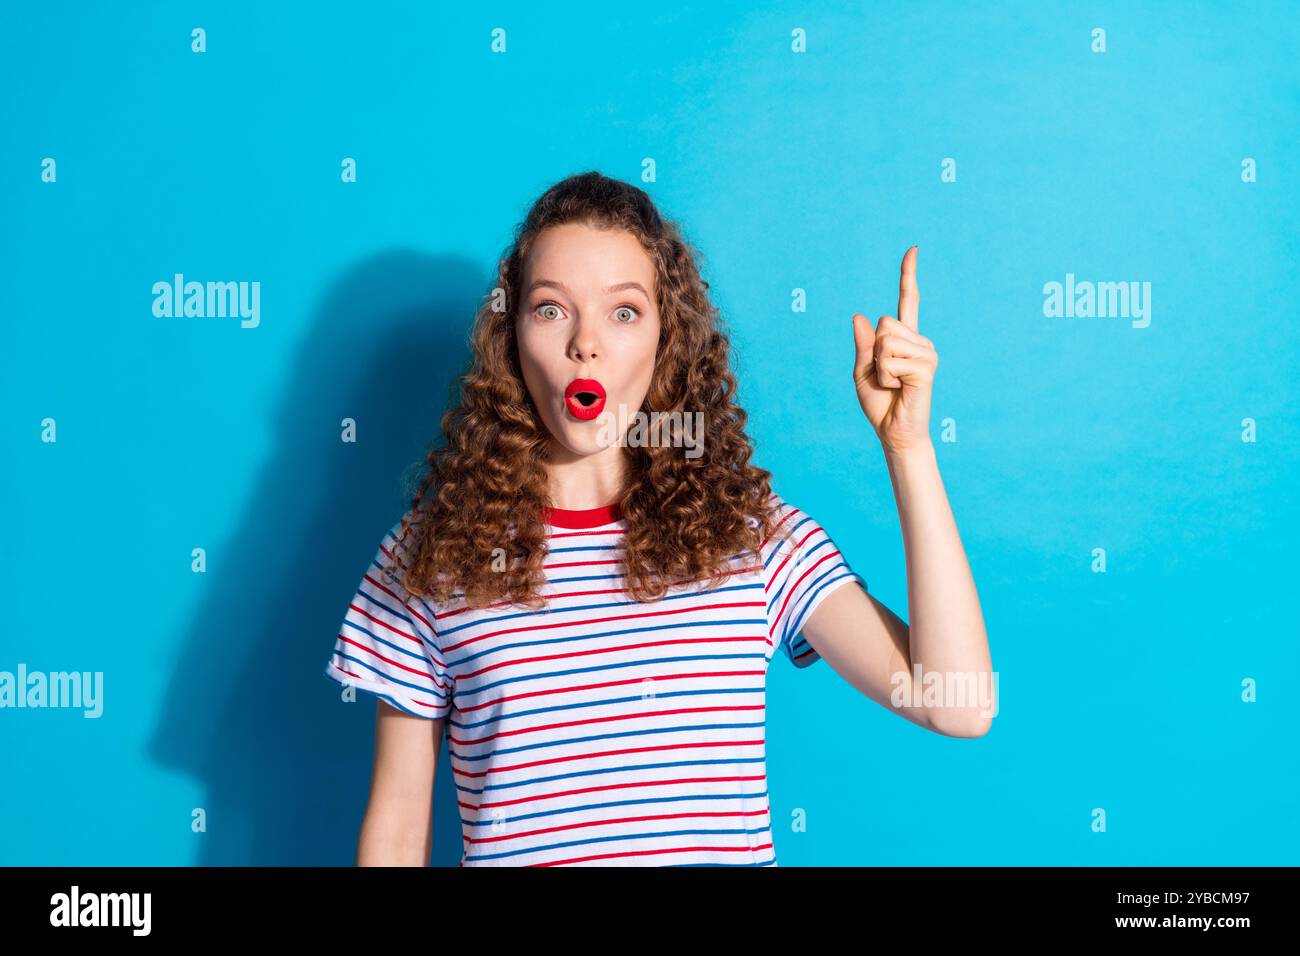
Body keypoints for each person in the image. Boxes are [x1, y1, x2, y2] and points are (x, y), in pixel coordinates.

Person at [323, 171, 993, 866]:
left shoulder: (752, 536)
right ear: (512, 333)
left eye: (623, 312)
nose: (587, 344)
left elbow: (959, 705)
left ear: (665, 337)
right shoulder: (436, 551)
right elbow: (399, 829)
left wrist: (907, 446)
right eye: (552, 309)